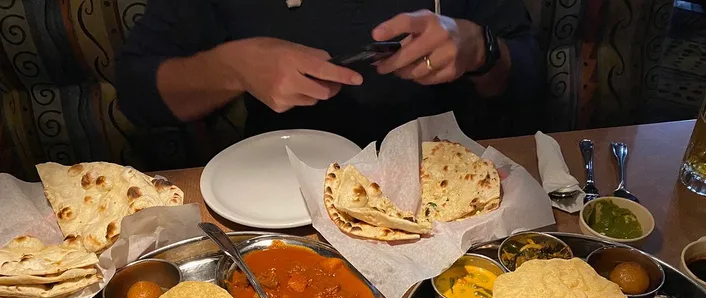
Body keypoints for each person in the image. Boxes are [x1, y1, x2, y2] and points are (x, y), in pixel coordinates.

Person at [116, 1, 542, 146]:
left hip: (445, 179)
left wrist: (480, 48)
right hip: (282, 192)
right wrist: (231, 67)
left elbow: (530, 80)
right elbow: (137, 92)